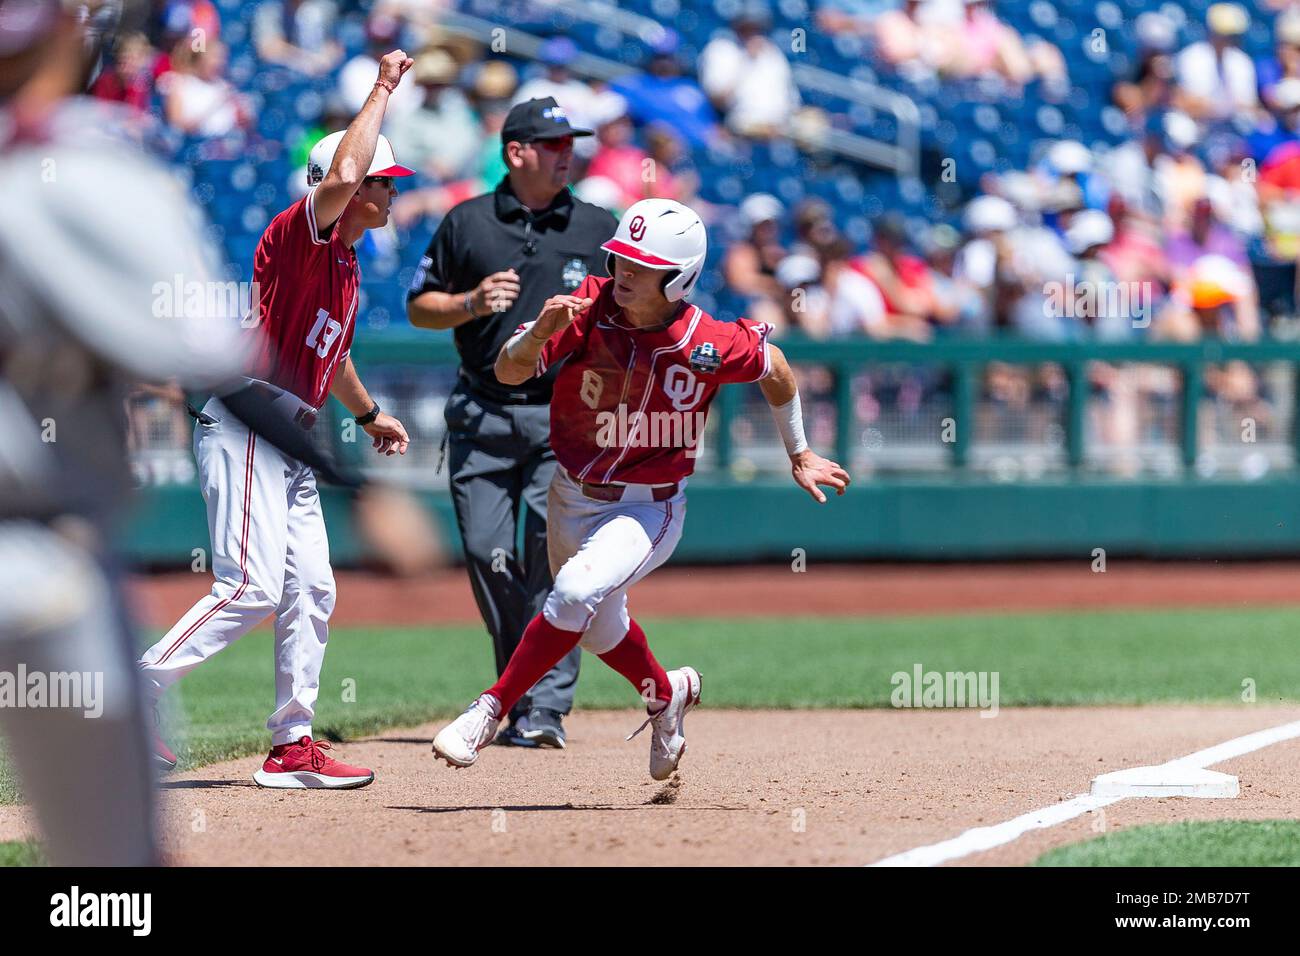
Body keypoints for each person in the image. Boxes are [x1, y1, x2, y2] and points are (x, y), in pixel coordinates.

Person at [431, 198, 850, 777]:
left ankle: (490, 708)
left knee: (575, 594)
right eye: (619, 258)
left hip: (647, 509)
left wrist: (799, 451)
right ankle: (665, 693)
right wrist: (539, 335)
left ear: (676, 278)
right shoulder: (585, 309)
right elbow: (507, 370)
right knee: (599, 626)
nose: (620, 271)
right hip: (571, 495)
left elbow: (775, 368)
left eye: (638, 264)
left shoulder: (705, 339)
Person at [137, 49, 418, 790]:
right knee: (250, 587)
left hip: (294, 433)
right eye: (385, 185)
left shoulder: (350, 264)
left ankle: (292, 745)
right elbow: (345, 175)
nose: (390, 197)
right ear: (349, 192)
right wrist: (383, 87)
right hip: (249, 425)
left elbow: (339, 356)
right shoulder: (301, 236)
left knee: (312, 588)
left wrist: (373, 413)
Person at [407, 97, 618, 749]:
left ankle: (545, 710)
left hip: (562, 420)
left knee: (552, 563)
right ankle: (516, 691)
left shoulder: (597, 226)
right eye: (553, 144)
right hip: (483, 413)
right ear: (516, 152)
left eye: (571, 143)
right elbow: (419, 307)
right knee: (487, 555)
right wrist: (470, 303)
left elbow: (628, 314)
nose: (567, 154)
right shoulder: (467, 221)